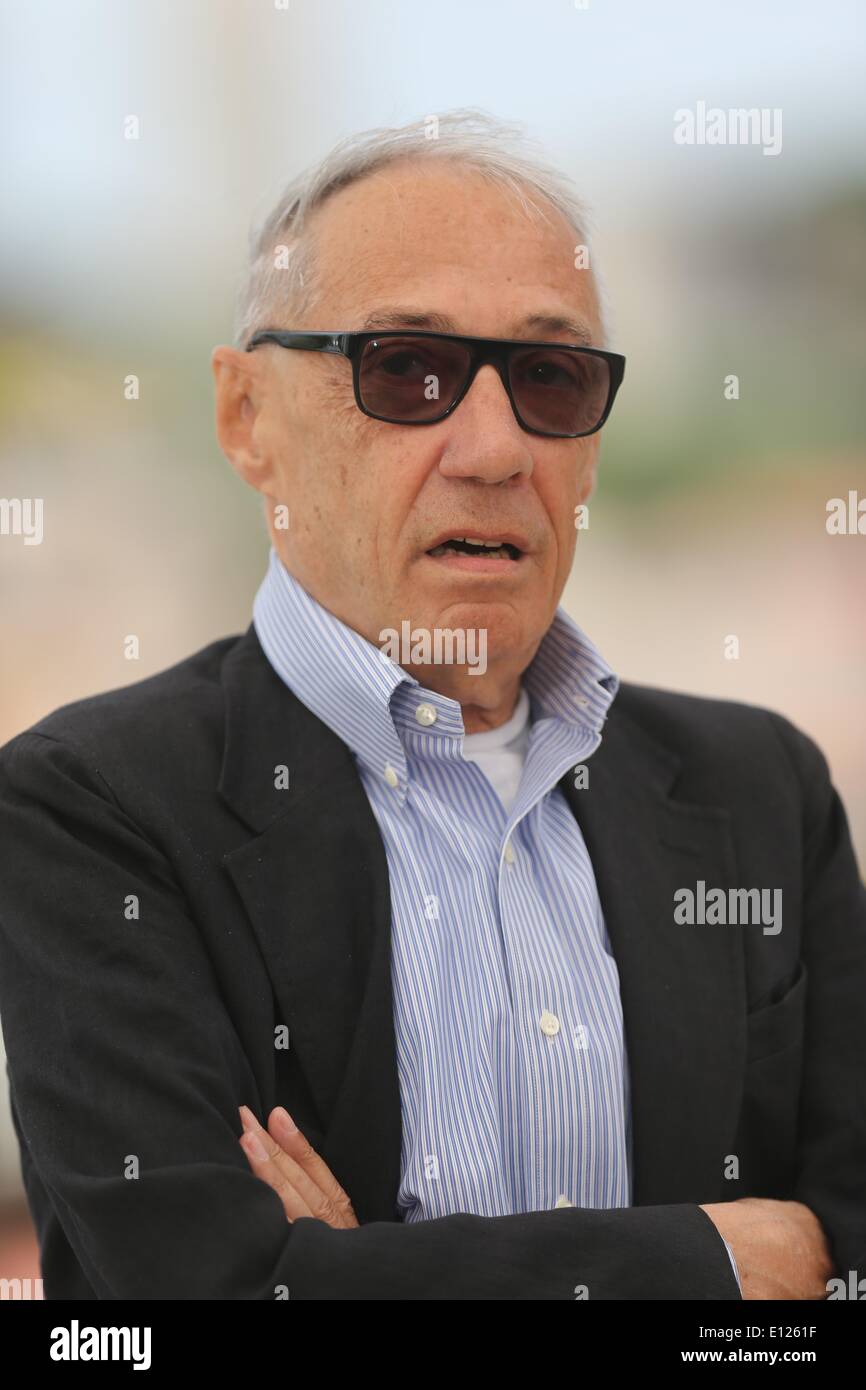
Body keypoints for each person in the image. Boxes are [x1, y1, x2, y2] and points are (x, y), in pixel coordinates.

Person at [0, 110, 862, 1300]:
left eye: (550, 377)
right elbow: (193, 1297)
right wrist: (717, 1258)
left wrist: (363, 1274)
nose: (497, 446)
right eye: (407, 369)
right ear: (247, 417)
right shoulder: (91, 805)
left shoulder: (759, 786)